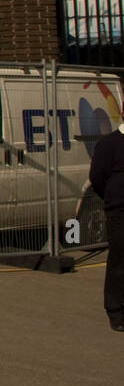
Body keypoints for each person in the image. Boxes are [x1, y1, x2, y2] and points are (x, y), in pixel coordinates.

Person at [88, 119, 124, 332]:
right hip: (119, 210)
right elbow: (97, 178)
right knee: (119, 260)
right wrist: (113, 198)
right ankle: (116, 310)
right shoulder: (109, 144)